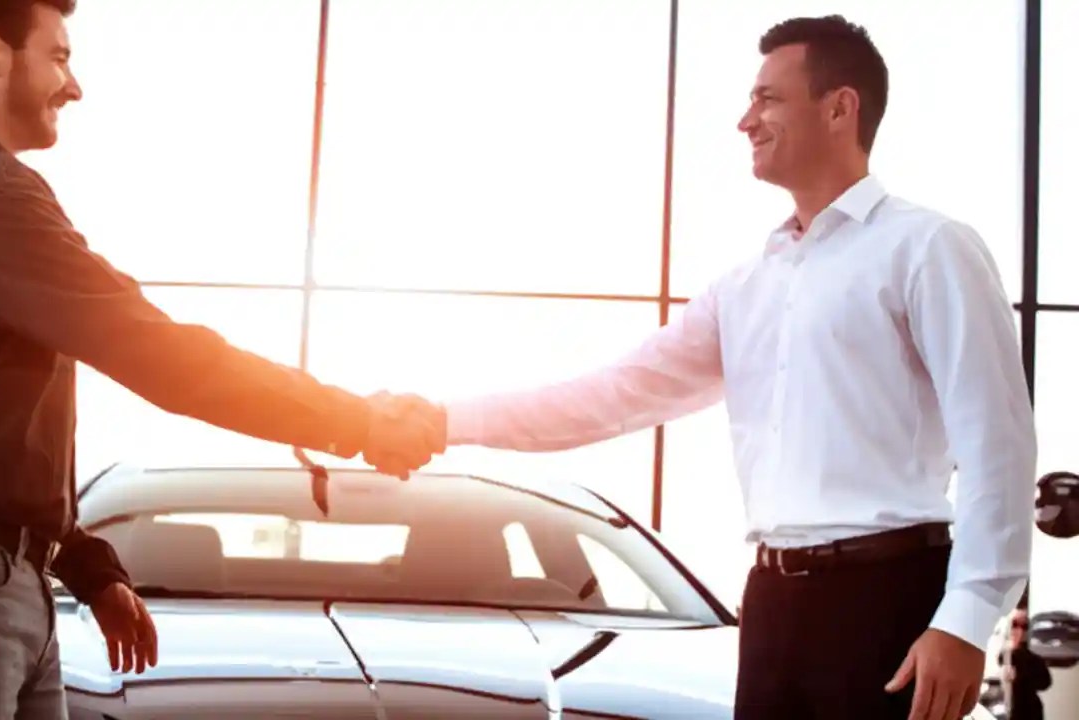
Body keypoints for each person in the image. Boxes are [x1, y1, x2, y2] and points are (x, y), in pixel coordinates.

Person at [389, 14, 1037, 720]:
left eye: (767, 99)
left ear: (839, 108)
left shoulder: (929, 248)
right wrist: (442, 421)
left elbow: (997, 444)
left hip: (891, 602)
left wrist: (966, 619)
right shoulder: (745, 287)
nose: (744, 121)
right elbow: (610, 396)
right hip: (772, 608)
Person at [0, 1, 434, 718]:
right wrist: (359, 422)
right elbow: (160, 354)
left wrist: (83, 566)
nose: (74, 86)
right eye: (59, 57)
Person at [999, 609, 1051, 720]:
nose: (1020, 630)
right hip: (1007, 709)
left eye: (1024, 626)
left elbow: (1045, 682)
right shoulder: (1003, 655)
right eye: (1015, 625)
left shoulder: (1034, 658)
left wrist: (1020, 675)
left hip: (1029, 712)